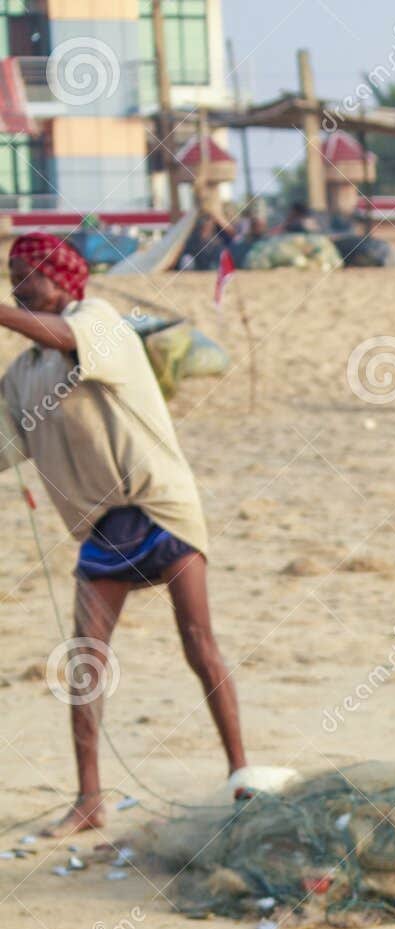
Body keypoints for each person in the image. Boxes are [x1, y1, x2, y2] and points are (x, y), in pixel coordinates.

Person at [0, 232, 247, 836]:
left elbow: (64, 338)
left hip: (160, 507)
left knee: (198, 641)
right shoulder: (24, 373)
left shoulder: (99, 320)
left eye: (22, 274)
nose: (13, 286)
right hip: (103, 526)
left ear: (58, 280)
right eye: (10, 276)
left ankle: (241, 774)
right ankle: (89, 799)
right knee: (87, 657)